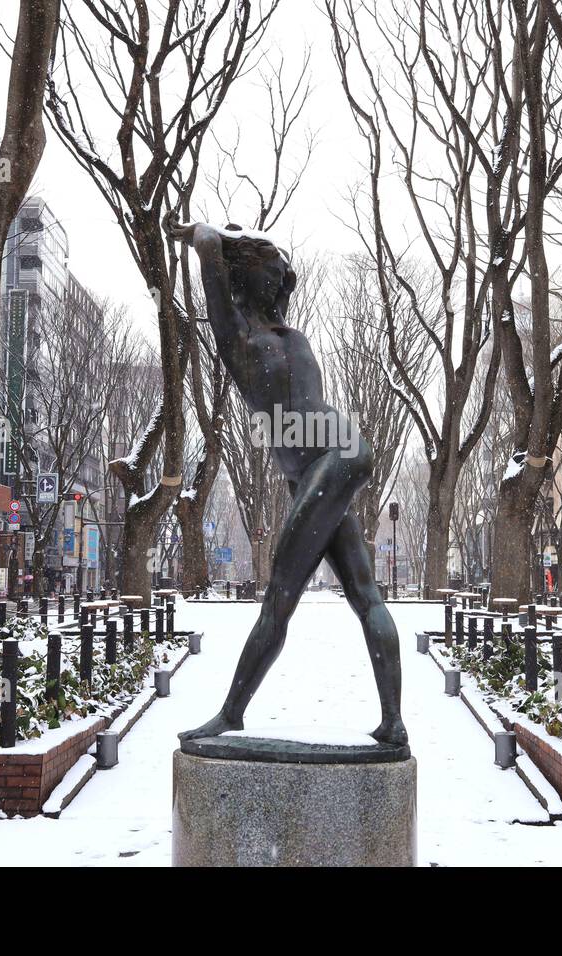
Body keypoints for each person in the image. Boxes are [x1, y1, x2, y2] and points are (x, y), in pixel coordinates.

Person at [167, 216, 405, 746]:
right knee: (366, 596)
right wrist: (212, 246)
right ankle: (393, 722)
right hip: (334, 458)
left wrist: (206, 237)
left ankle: (231, 713)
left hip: (331, 458)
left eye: (280, 275)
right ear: (247, 280)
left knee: (279, 597)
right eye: (269, 274)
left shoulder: (260, 339)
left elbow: (209, 248)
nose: (277, 282)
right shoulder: (252, 339)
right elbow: (213, 270)